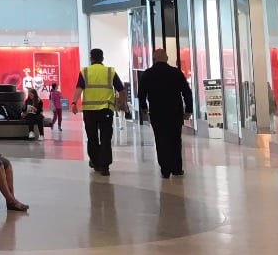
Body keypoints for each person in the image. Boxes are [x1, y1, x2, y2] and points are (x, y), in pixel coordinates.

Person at [72, 48, 127, 176]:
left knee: (92, 138)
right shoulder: (110, 71)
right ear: (102, 58)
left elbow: (79, 88)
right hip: (106, 110)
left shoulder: (84, 71)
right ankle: (105, 167)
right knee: (106, 138)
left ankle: (96, 163)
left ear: (91, 58)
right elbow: (122, 90)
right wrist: (122, 103)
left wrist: (74, 103)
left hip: (89, 111)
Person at [140, 48, 194, 178]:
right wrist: (188, 110)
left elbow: (141, 93)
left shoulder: (148, 74)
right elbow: (187, 92)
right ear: (166, 58)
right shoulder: (176, 73)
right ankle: (176, 168)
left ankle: (165, 169)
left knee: (161, 139)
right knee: (175, 139)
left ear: (154, 59)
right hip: (174, 112)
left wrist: (144, 108)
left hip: (157, 112)